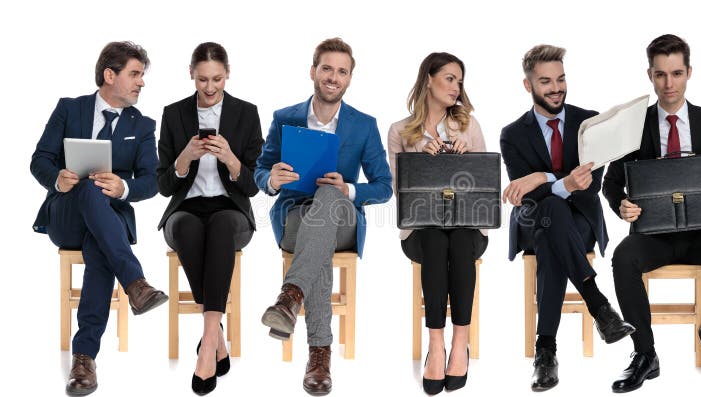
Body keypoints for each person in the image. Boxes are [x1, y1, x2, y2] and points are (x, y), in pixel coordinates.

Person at [602, 34, 701, 393]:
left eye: (676, 73)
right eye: (660, 75)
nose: (668, 84)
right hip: (654, 238)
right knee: (624, 256)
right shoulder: (634, 127)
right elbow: (610, 184)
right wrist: (620, 204)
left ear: (689, 72)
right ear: (650, 75)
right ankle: (645, 353)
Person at [254, 37, 392, 396]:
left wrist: (349, 189)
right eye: (327, 68)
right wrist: (271, 179)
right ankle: (320, 353)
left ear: (349, 79)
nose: (334, 77)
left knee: (330, 194)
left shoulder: (363, 125)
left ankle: (290, 297)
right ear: (313, 71)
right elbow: (261, 169)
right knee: (318, 239)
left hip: (343, 216)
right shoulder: (285, 118)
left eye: (342, 71)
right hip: (294, 218)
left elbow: (384, 186)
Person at [30, 41, 168, 396]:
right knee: (88, 189)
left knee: (101, 247)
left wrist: (123, 186)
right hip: (66, 215)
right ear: (110, 75)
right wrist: (57, 177)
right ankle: (136, 282)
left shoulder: (144, 124)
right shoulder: (69, 109)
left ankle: (84, 357)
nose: (141, 83)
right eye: (134, 74)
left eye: (141, 75)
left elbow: (153, 181)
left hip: (108, 221)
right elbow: (39, 159)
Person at [499, 44, 634, 392]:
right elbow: (525, 195)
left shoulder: (589, 121)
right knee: (550, 212)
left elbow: (591, 189)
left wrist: (541, 179)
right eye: (545, 81)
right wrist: (555, 181)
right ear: (528, 86)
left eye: (560, 79)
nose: (556, 87)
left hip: (582, 221)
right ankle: (599, 305)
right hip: (535, 222)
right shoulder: (512, 134)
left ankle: (545, 352)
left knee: (553, 225)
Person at [156, 42, 264, 395]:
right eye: (202, 79)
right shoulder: (173, 114)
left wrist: (231, 159)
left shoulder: (246, 114)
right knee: (188, 227)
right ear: (191, 75)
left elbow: (252, 186)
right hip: (185, 208)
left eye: (217, 78)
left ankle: (206, 344)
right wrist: (184, 158)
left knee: (218, 226)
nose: (210, 87)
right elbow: (163, 184)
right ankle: (215, 336)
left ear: (228, 74)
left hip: (231, 210)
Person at [386, 52, 487, 395]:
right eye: (449, 78)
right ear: (428, 79)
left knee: (457, 238)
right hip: (420, 229)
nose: (456, 87)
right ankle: (437, 345)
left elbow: (486, 188)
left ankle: (460, 344)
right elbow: (400, 193)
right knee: (434, 238)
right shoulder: (399, 131)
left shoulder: (469, 126)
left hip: (467, 227)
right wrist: (419, 163)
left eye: (460, 80)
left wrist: (468, 158)